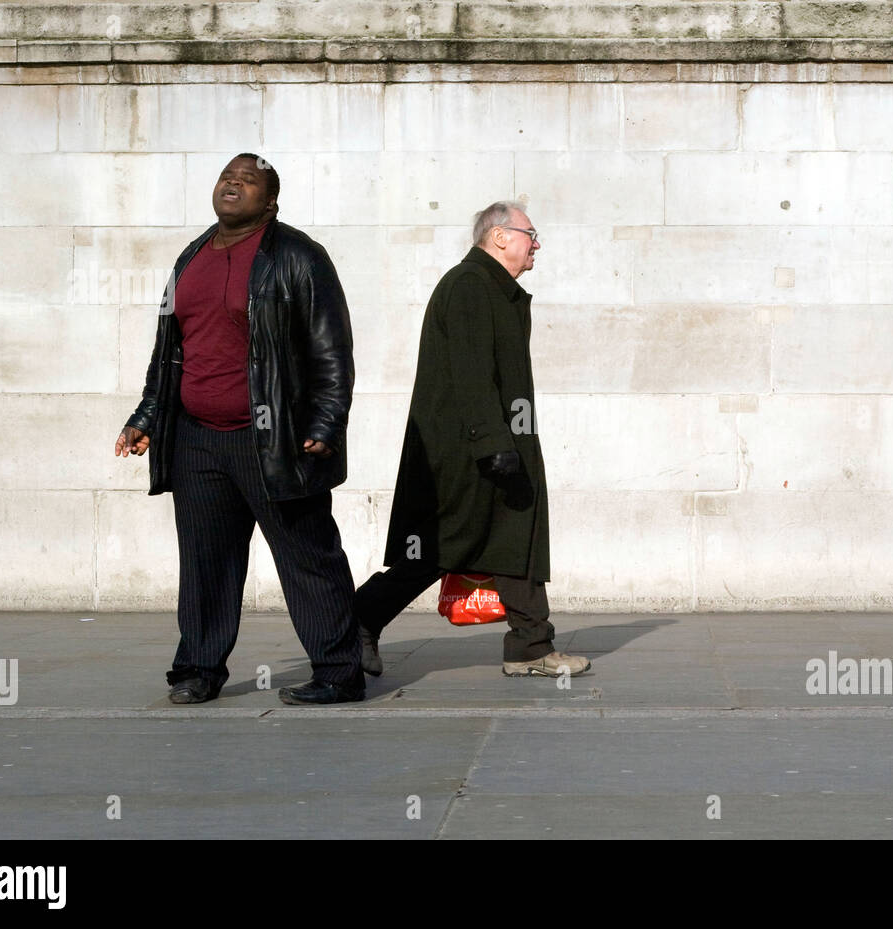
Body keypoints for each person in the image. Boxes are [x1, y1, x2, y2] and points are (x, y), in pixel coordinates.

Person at [114, 153, 365, 704]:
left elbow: (331, 350)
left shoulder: (298, 257)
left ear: (270, 202)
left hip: (272, 438)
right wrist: (147, 416)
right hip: (197, 440)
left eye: (248, 180)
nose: (234, 183)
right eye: (228, 176)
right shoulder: (192, 256)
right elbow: (171, 352)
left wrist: (325, 423)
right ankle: (197, 670)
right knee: (205, 561)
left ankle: (339, 671)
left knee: (307, 558)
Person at [352, 201, 590, 678]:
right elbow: (471, 372)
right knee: (441, 547)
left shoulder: (496, 290)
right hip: (467, 449)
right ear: (500, 236)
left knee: (515, 536)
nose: (536, 244)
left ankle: (530, 645)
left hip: (499, 441)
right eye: (530, 233)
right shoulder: (469, 285)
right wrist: (491, 442)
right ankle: (354, 620)